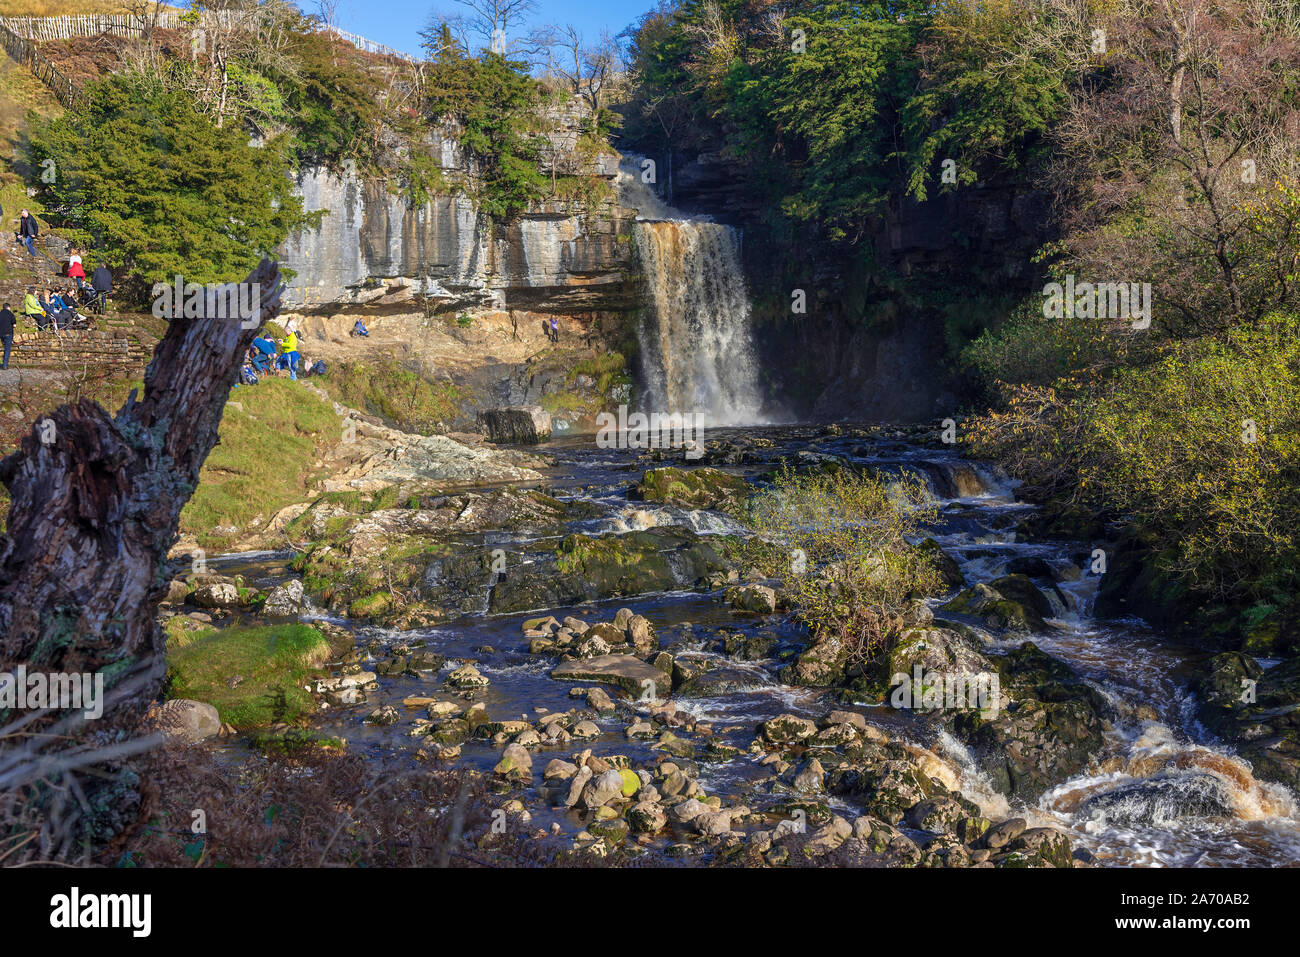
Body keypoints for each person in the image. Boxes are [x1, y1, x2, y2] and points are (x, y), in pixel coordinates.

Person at [0, 302, 14, 370]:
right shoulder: (10, 314)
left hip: (0, 333)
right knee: (7, 349)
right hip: (8, 334)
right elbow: (14, 325)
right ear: (8, 307)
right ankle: (5, 365)